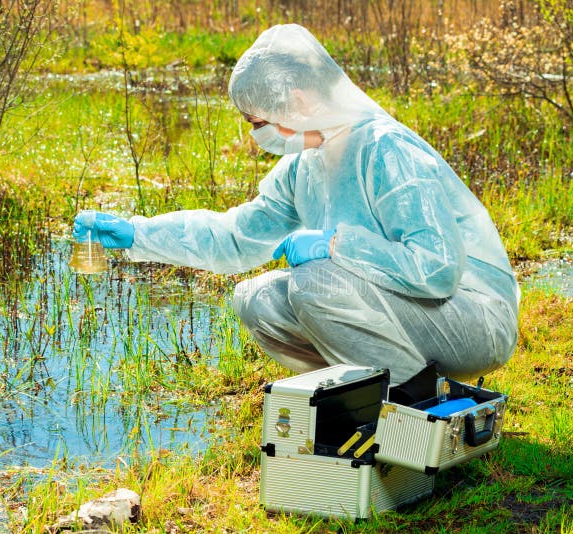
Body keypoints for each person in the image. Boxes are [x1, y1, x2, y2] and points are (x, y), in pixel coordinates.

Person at [73, 24, 519, 385]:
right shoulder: (306, 164)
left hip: (474, 314)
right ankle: (361, 398)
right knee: (258, 298)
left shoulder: (386, 149)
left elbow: (438, 269)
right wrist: (137, 233)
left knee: (313, 282)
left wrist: (334, 246)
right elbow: (235, 237)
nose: (257, 136)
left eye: (259, 122)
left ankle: (411, 413)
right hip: (412, 311)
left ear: (300, 101)